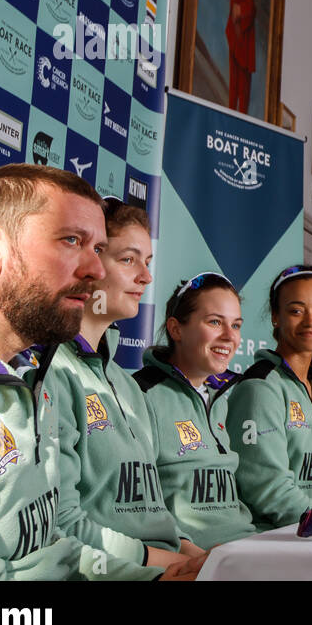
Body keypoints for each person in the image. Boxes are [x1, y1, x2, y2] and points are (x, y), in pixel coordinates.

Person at [0, 164, 193, 579]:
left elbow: (53, 544)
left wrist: (159, 577)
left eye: (97, 249)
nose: (95, 270)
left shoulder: (37, 367)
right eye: (71, 240)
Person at [40, 198, 207, 575]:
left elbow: (152, 513)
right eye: (129, 260)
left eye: (148, 263)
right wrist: (172, 565)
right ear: (91, 265)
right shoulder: (54, 371)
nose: (146, 278)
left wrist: (198, 555)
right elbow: (64, 523)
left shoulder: (126, 384)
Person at [226, 265, 312, 530]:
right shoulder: (259, 388)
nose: (311, 321)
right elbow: (267, 486)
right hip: (280, 539)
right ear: (276, 316)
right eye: (296, 311)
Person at [135, 274, 256, 548]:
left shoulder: (220, 397)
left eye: (235, 325)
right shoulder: (141, 395)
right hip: (195, 558)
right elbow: (138, 507)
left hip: (245, 543)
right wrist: (190, 558)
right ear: (176, 330)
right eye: (215, 322)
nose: (230, 337)